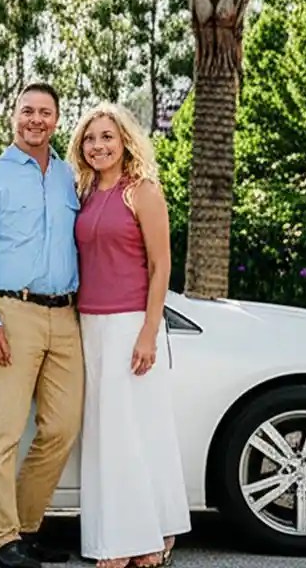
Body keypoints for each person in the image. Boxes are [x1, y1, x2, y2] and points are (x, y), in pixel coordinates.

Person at [0, 82, 83, 568]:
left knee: (63, 427)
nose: (36, 119)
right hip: (12, 311)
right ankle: (1, 538)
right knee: (4, 432)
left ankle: (28, 529)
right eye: (27, 111)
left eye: (45, 112)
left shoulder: (70, 178)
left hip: (66, 315)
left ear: (56, 119)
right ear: (13, 116)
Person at [68, 103, 190, 568]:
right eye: (90, 139)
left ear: (124, 142)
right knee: (106, 435)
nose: (98, 145)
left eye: (106, 137)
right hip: (89, 324)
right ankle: (134, 536)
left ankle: (141, 541)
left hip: (129, 324)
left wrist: (148, 332)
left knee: (134, 433)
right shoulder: (82, 193)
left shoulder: (142, 191)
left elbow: (161, 266)